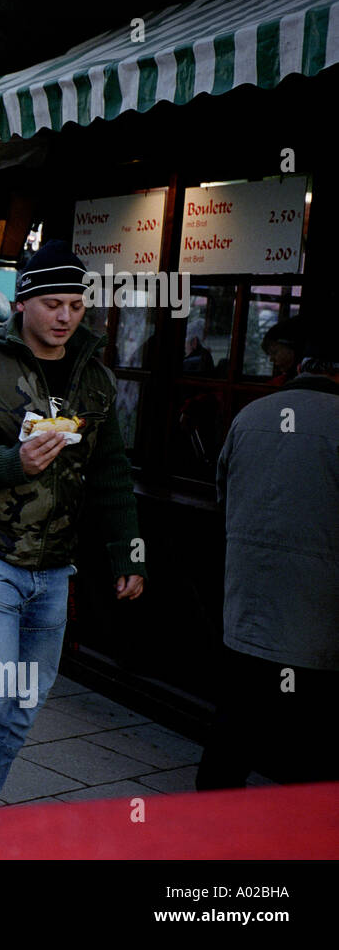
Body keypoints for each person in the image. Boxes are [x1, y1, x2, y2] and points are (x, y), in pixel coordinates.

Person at [0, 241, 145, 811]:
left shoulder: (93, 379)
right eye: (53, 303)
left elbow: (113, 473)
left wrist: (129, 556)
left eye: (75, 304)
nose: (66, 316)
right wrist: (10, 463)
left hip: (54, 568)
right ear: (24, 304)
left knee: (24, 703)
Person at [196, 334, 339, 790]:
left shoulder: (252, 413)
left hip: (247, 602)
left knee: (236, 716)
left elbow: (223, 493)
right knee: (312, 731)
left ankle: (210, 808)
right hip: (319, 612)